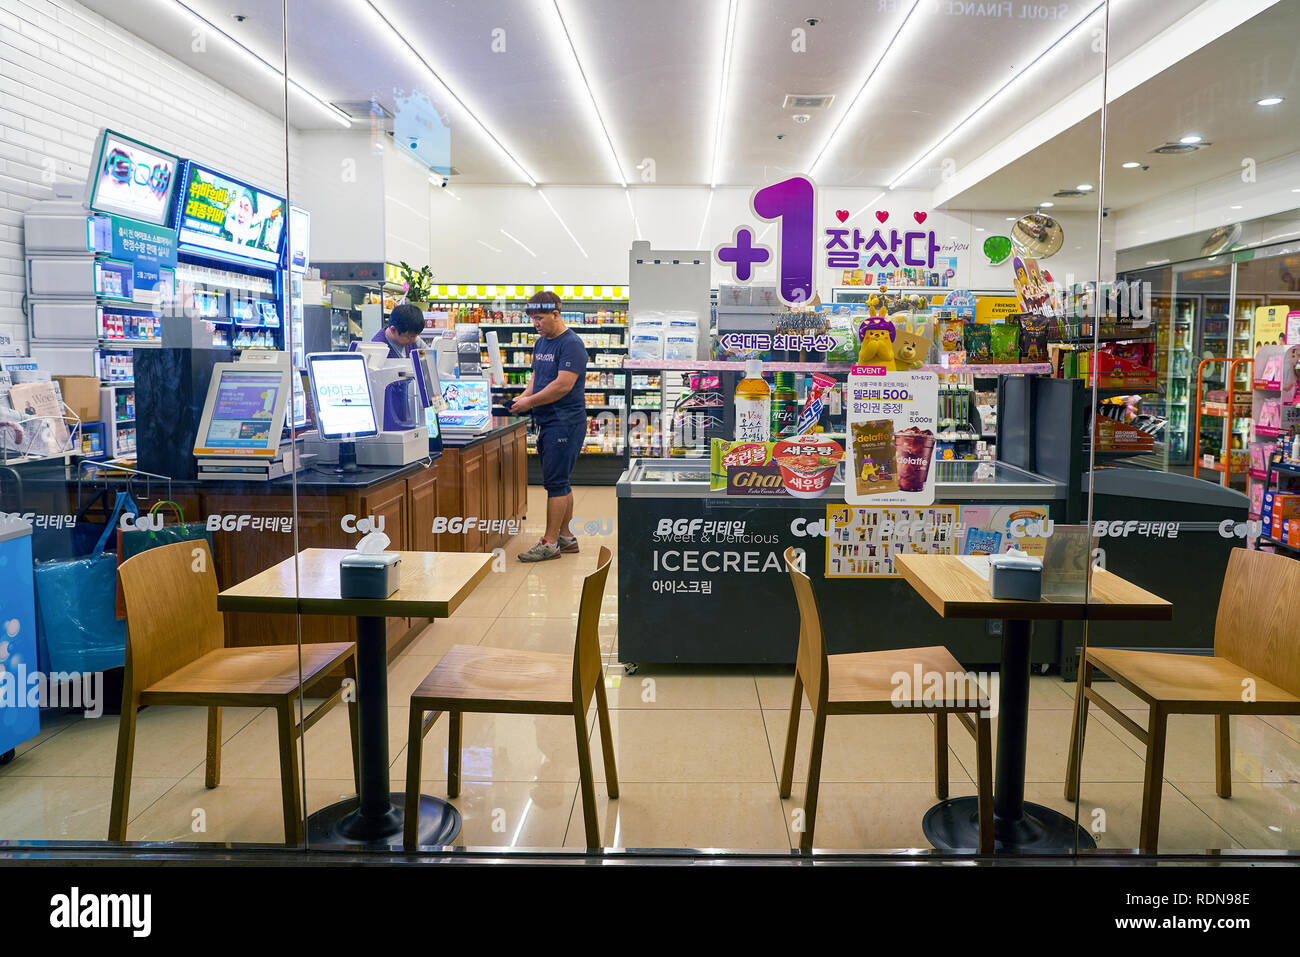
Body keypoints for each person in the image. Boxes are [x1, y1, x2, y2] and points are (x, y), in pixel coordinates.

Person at [510, 291, 586, 561]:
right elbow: (537, 377)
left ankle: (550, 542)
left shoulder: (572, 344)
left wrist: (529, 402)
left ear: (556, 314)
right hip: (548, 421)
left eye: (540, 318)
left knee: (555, 484)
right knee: (561, 482)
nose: (536, 324)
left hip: (565, 422)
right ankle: (566, 537)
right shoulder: (541, 343)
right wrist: (524, 395)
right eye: (532, 319)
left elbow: (562, 385)